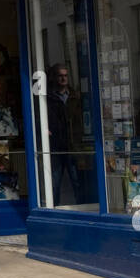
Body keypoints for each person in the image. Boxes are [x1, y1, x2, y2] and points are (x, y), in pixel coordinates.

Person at [44, 63, 84, 205]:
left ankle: (82, 208)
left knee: (77, 181)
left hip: (73, 145)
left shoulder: (75, 97)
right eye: (60, 76)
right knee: (54, 183)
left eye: (65, 76)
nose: (63, 79)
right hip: (56, 146)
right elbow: (40, 118)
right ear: (54, 77)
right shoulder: (48, 98)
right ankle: (54, 209)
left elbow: (81, 120)